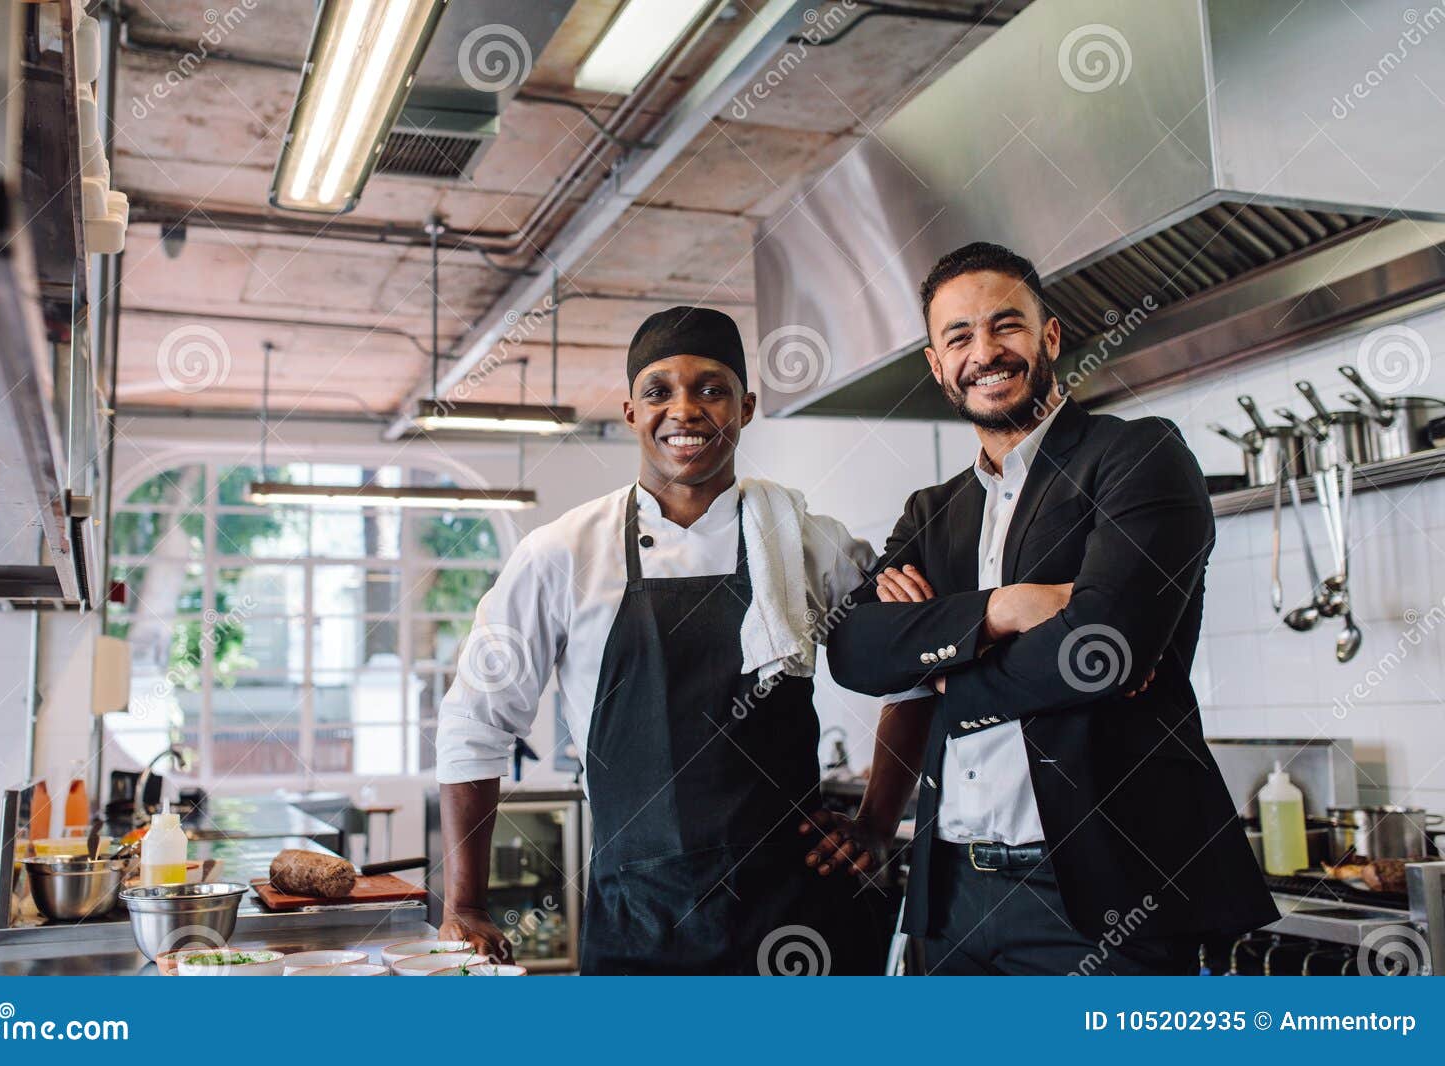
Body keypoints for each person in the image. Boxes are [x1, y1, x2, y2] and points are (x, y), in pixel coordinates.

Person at [804, 242, 1277, 975]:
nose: (985, 353)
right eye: (959, 337)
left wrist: (940, 670)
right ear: (936, 365)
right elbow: (855, 650)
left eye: (1007, 325)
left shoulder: (1137, 456)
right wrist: (1003, 611)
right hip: (952, 895)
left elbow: (1106, 651)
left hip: (1104, 897)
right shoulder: (932, 513)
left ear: (1050, 337)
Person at [434, 306, 884, 975]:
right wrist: (466, 903)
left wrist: (877, 821)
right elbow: (475, 722)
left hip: (793, 915)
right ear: (630, 412)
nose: (685, 410)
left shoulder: (808, 542)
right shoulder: (561, 553)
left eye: (712, 389)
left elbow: (911, 672)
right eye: (658, 391)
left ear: (746, 407)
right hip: (638, 921)